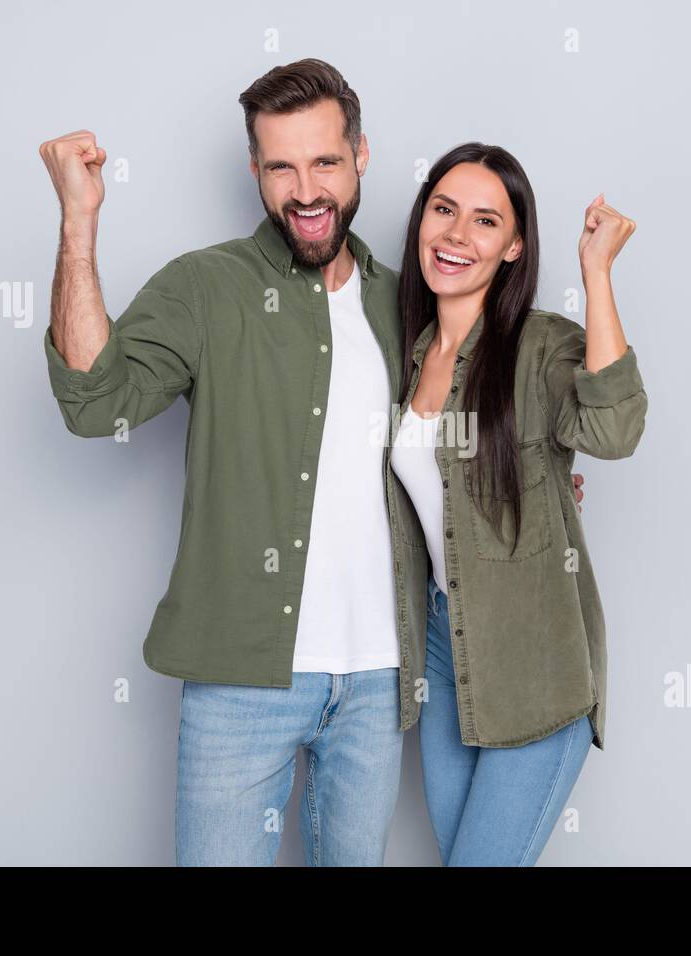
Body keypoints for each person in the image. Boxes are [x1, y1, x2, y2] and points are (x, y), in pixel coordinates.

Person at [38, 59, 584, 866]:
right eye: (281, 166)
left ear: (360, 155)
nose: (305, 189)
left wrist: (548, 492)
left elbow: (478, 430)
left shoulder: (410, 306)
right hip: (240, 681)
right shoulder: (206, 288)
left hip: (379, 684)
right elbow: (93, 403)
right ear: (253, 170)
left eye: (324, 161)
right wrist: (78, 225)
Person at [387, 143, 647, 865]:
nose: (456, 236)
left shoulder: (539, 346)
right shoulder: (409, 355)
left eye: (484, 221)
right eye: (443, 211)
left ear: (513, 247)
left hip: (534, 656)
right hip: (443, 649)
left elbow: (613, 428)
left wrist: (597, 273)